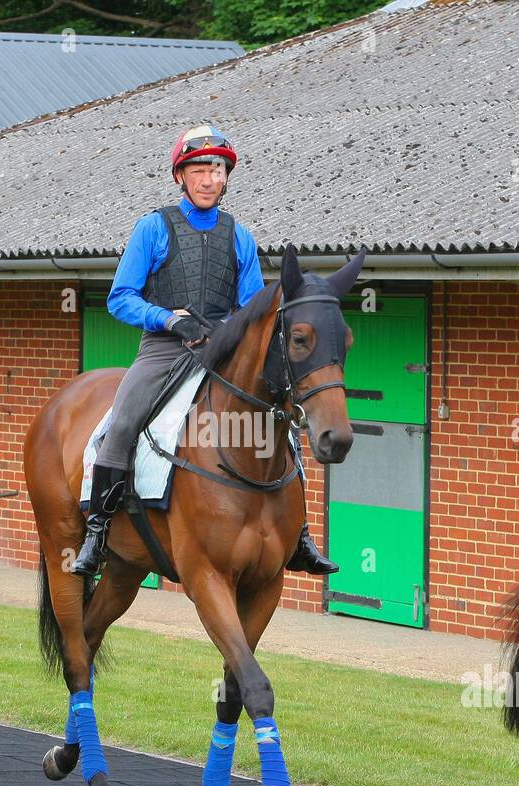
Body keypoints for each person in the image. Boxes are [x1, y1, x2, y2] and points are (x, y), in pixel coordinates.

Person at [72, 125, 338, 578]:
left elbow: (254, 308)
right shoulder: (153, 228)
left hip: (221, 351)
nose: (209, 179)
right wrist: (169, 319)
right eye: (198, 169)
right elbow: (120, 297)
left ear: (227, 177)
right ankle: (97, 532)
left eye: (218, 170)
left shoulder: (241, 237)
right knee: (120, 425)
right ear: (180, 176)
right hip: (163, 349)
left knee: (282, 426)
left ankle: (300, 534)